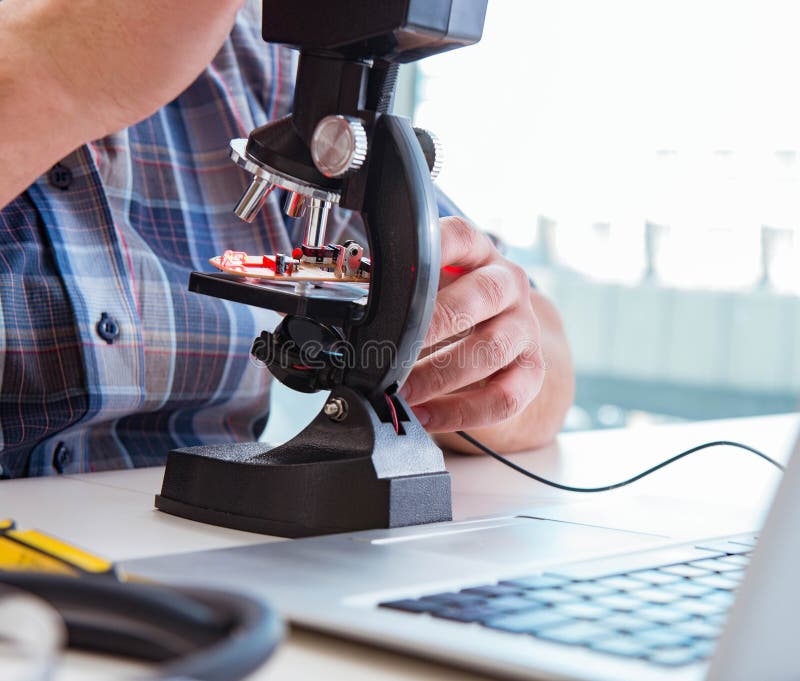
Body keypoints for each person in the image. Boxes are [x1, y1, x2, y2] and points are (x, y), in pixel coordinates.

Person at [0, 0, 574, 478]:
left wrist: (471, 359)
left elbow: (537, 348)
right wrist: (61, 78)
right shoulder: (167, 35)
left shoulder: (253, 49)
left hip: (214, 564)